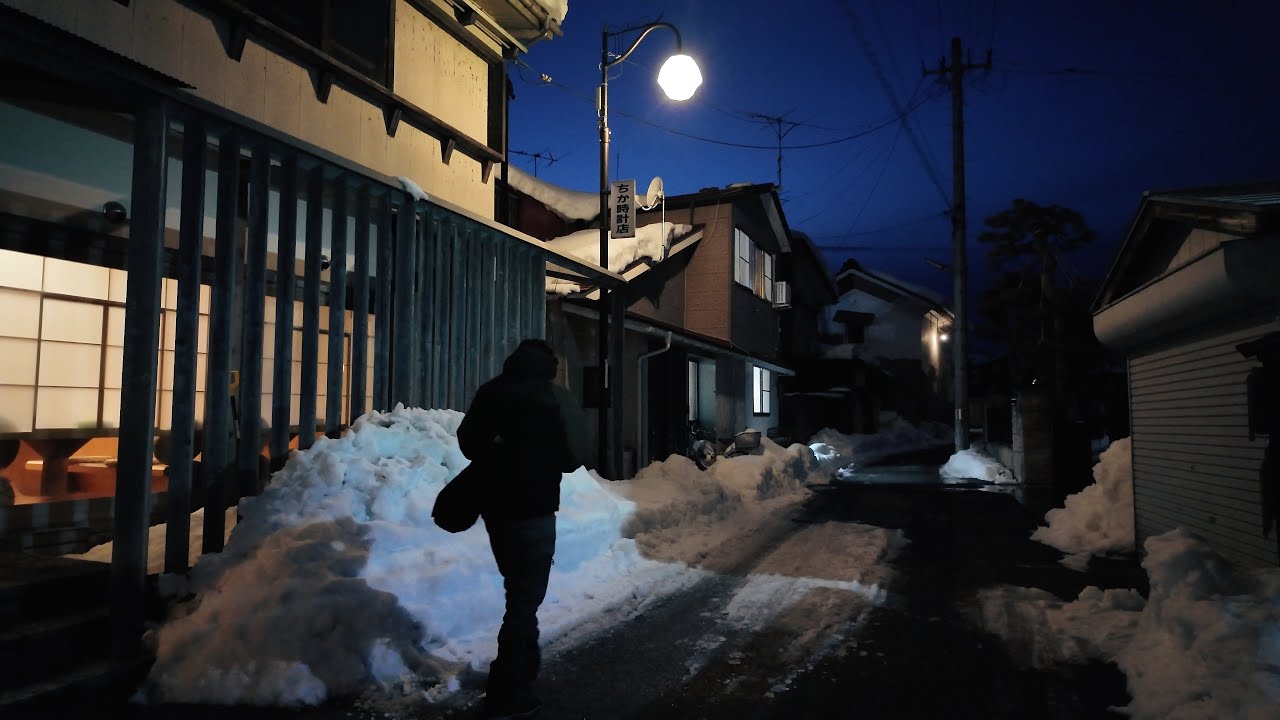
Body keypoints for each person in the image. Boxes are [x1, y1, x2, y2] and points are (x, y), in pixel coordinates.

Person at [456, 338, 586, 719]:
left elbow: (468, 443)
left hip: (496, 510)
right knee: (524, 600)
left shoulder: (491, 391)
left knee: (519, 592)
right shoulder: (555, 398)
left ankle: (520, 668)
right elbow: (574, 457)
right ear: (550, 366)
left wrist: (499, 445)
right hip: (536, 509)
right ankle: (508, 689)